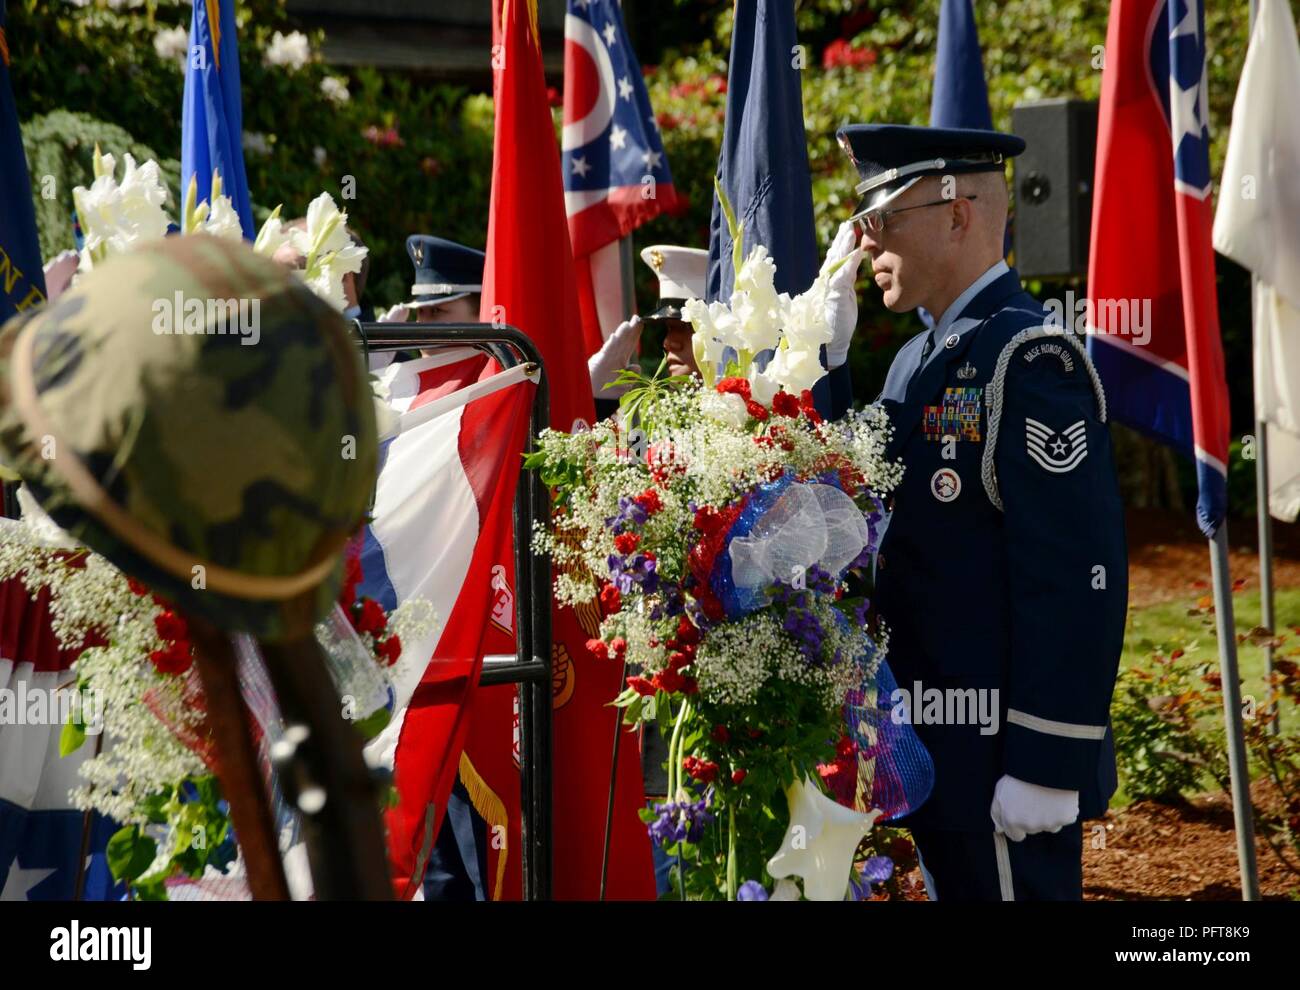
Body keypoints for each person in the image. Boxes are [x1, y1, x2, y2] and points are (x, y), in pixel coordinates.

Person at [836, 123, 1127, 900]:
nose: (864, 242)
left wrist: (1045, 760)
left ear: (956, 213)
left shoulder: (1027, 358)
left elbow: (1075, 577)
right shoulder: (914, 358)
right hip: (934, 754)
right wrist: (825, 365)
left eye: (881, 218)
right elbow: (853, 509)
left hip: (1001, 758)